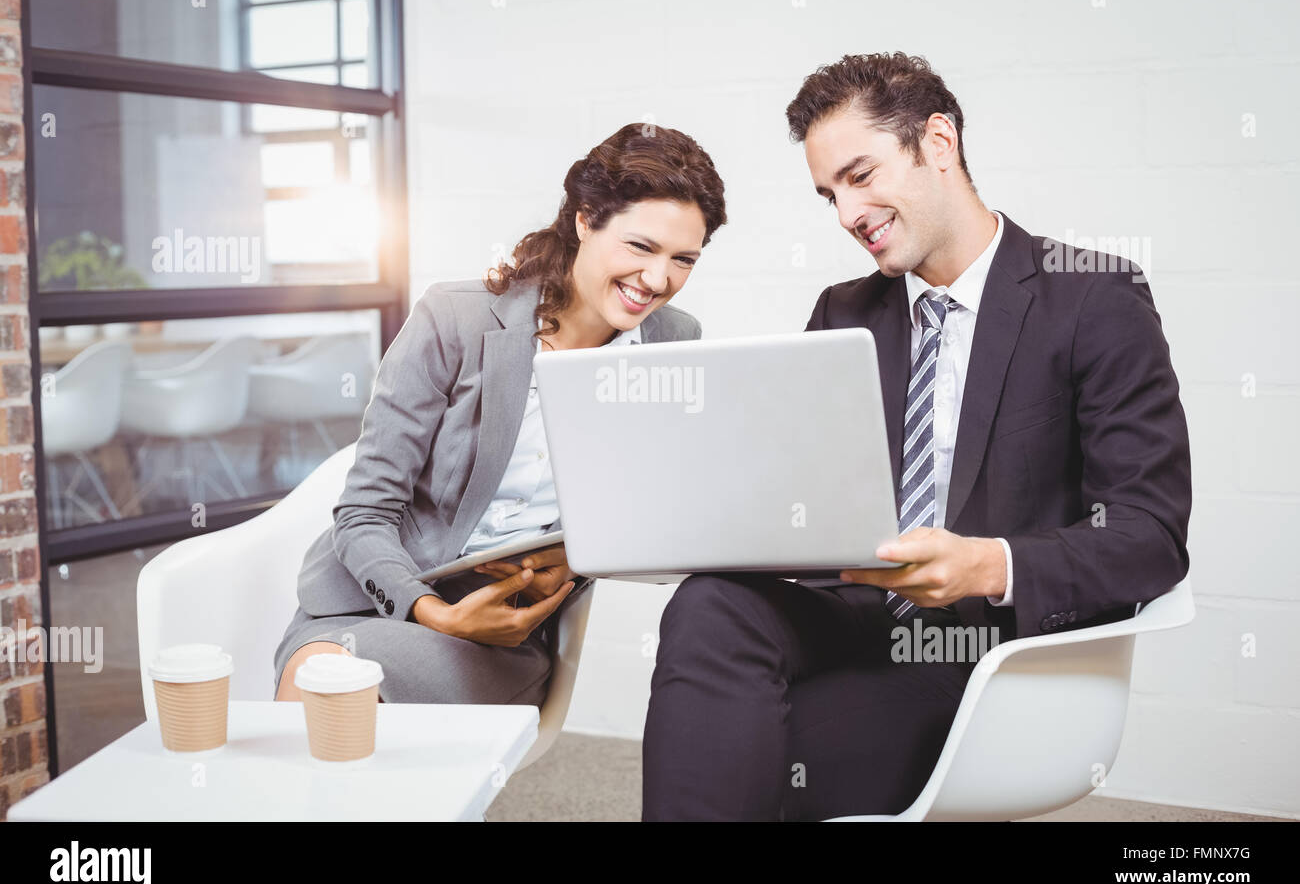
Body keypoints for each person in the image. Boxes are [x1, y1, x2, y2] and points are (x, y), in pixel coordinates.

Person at [642, 52, 1191, 821]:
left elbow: (1151, 537)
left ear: (939, 143)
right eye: (829, 194)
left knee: (741, 753)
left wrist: (983, 564)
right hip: (858, 613)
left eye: (861, 175)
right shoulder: (844, 311)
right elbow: (805, 500)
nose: (846, 213)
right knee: (708, 607)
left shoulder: (1093, 298)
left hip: (991, 651)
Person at [273, 122, 727, 705]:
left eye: (683, 259)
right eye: (640, 246)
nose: (658, 279)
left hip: (502, 631)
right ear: (585, 220)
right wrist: (431, 611)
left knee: (340, 692)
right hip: (378, 601)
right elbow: (364, 511)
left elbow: (646, 510)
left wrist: (570, 561)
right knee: (327, 676)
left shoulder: (673, 342)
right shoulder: (453, 319)